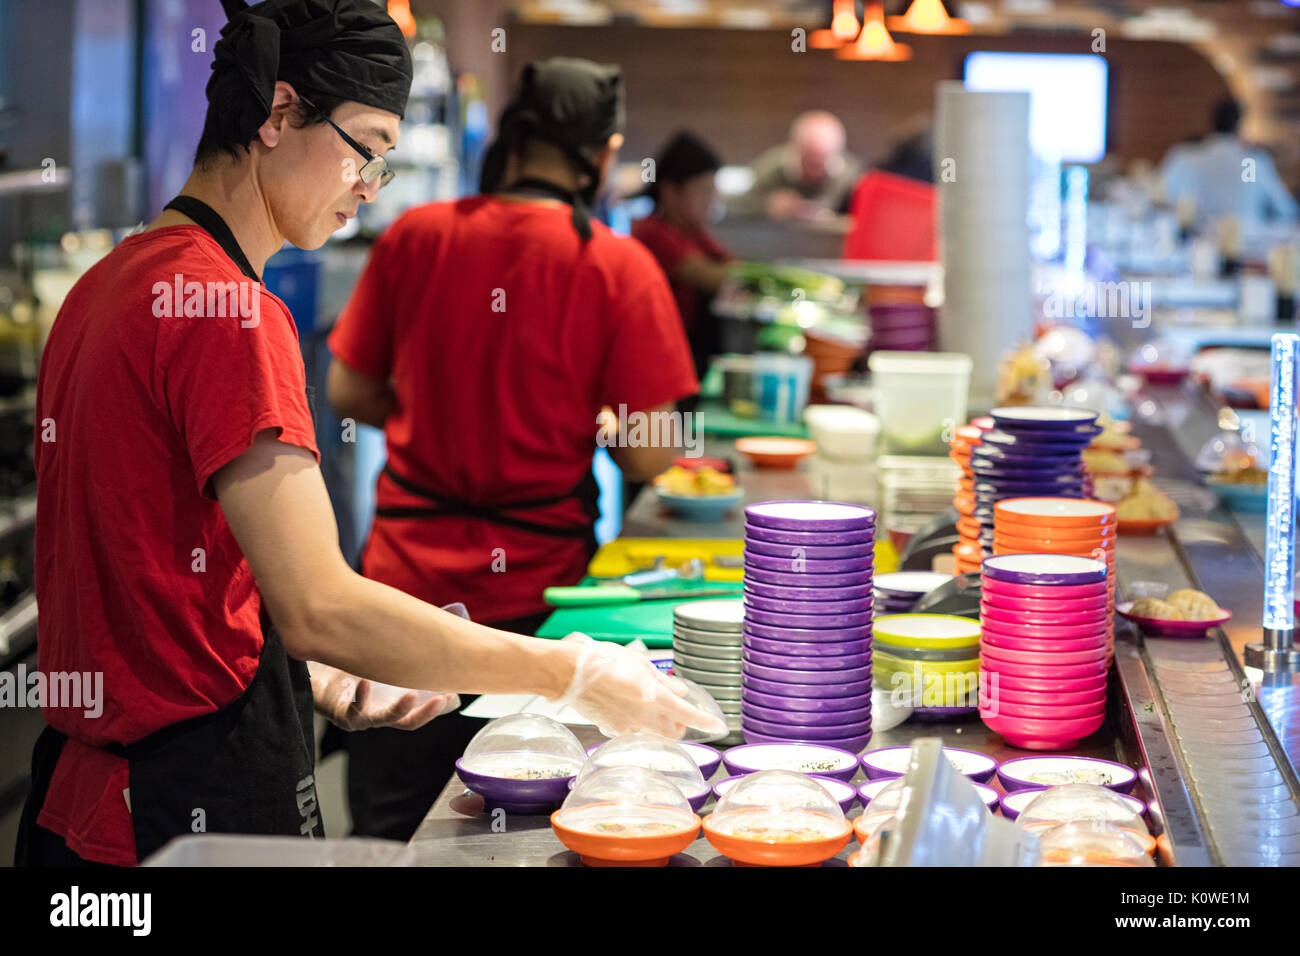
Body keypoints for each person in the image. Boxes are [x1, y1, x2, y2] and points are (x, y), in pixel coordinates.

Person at [17, 4, 716, 867]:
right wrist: (573, 672)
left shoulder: (109, 282)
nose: (369, 185)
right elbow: (319, 606)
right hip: (174, 806)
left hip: (77, 806)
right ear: (278, 115)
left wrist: (306, 678)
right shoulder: (233, 313)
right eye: (367, 147)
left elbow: (151, 582)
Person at [325, 58, 702, 842]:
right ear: (601, 155)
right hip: (539, 612)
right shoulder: (614, 263)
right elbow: (648, 457)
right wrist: (597, 419)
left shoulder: (415, 236)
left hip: (401, 601)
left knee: (390, 835)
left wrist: (439, 404)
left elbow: (350, 394)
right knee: (519, 835)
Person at [631, 131, 733, 379]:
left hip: (688, 357)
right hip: (658, 362)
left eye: (713, 191)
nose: (711, 201)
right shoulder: (652, 232)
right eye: (703, 191)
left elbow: (731, 266)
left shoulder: (694, 233)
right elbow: (708, 276)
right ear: (669, 192)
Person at [1159, 98, 1297, 226]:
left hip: (1195, 242)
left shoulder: (1186, 156)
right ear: (1239, 125)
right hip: (1248, 242)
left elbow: (1161, 198)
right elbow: (1285, 210)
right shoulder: (1251, 162)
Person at [732, 110, 861, 220]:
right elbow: (733, 205)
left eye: (824, 160)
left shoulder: (851, 174)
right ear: (795, 149)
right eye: (810, 160)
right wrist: (767, 205)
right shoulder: (772, 166)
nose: (816, 169)